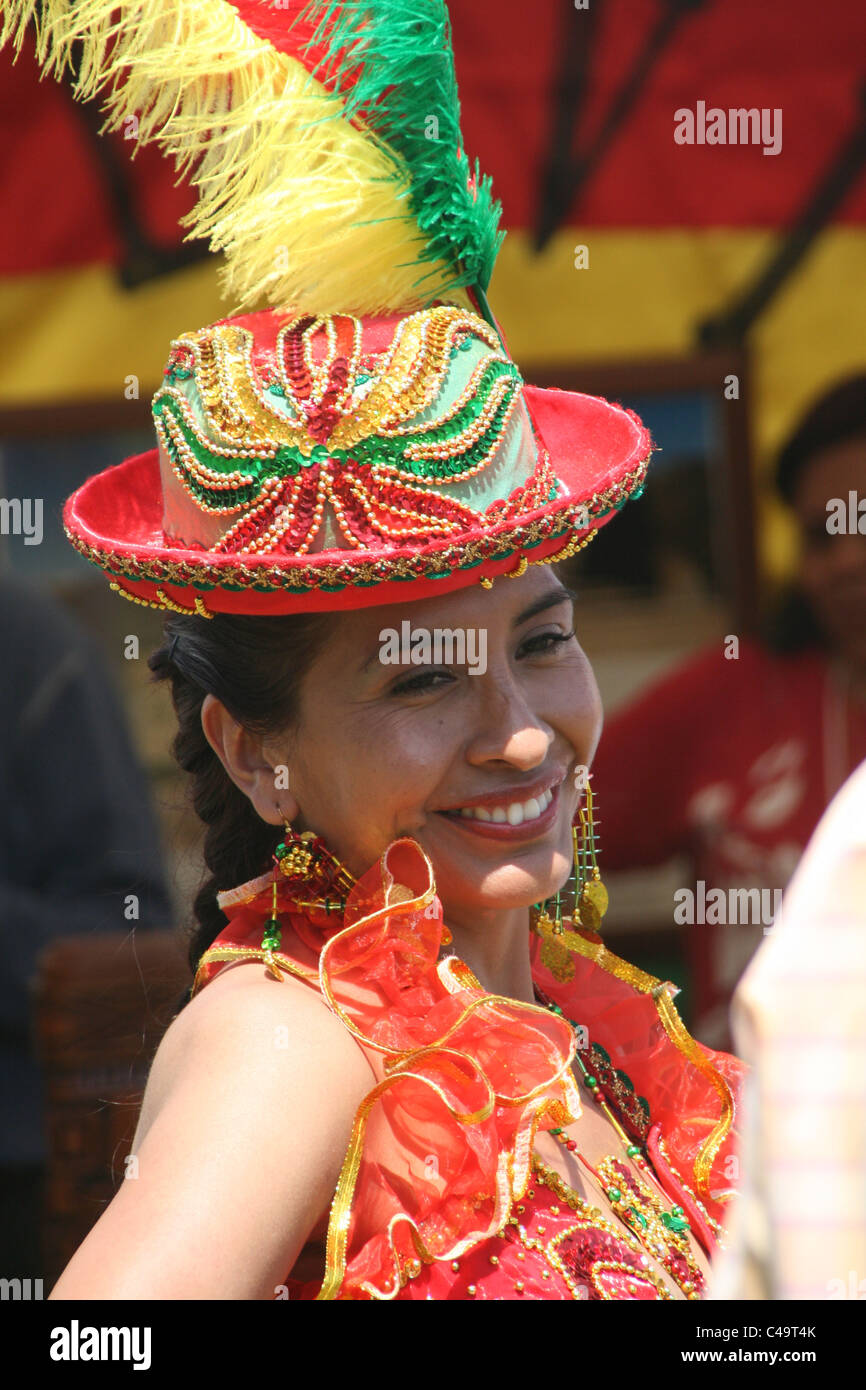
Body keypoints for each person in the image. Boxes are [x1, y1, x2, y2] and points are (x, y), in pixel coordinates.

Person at [10, 0, 745, 1300]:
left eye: (544, 640)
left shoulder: (587, 1025)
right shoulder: (293, 1036)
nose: (520, 725)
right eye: (420, 677)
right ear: (255, 753)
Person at [593, 374, 866, 1048]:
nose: (846, 561)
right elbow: (536, 827)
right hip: (752, 1133)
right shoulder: (734, 694)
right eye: (819, 538)